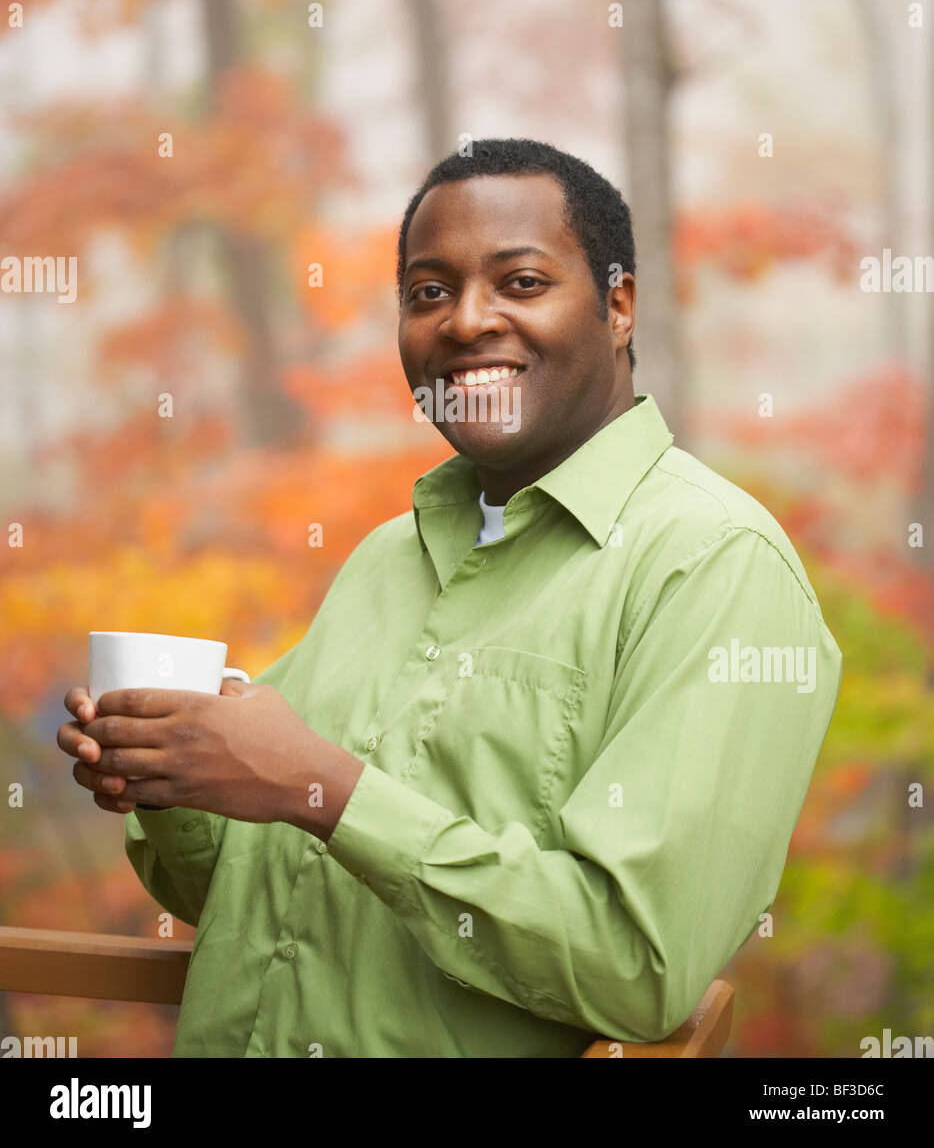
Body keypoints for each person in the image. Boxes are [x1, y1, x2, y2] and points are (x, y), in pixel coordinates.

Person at [58, 139, 842, 1058]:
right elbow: (251, 901)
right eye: (429, 292)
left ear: (619, 305)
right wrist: (169, 781)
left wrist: (328, 791)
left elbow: (639, 969)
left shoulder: (714, 565)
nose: (468, 322)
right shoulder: (389, 556)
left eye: (520, 282)